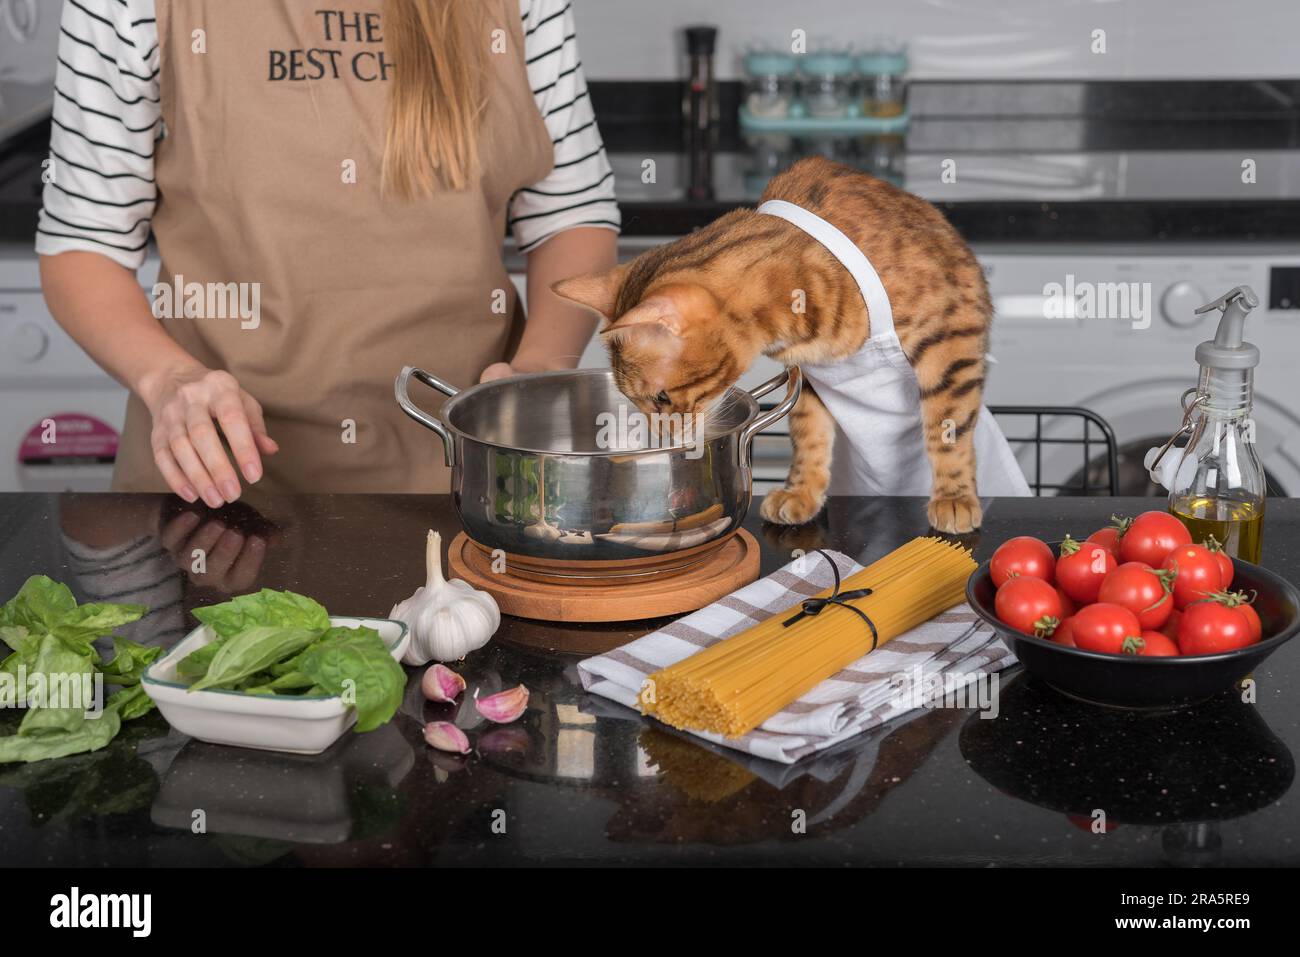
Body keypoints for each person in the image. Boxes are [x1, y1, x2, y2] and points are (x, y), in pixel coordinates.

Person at [37, 0, 619, 505]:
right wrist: (170, 380)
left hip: (470, 485)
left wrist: (539, 374)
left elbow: (570, 215)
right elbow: (83, 243)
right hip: (219, 497)